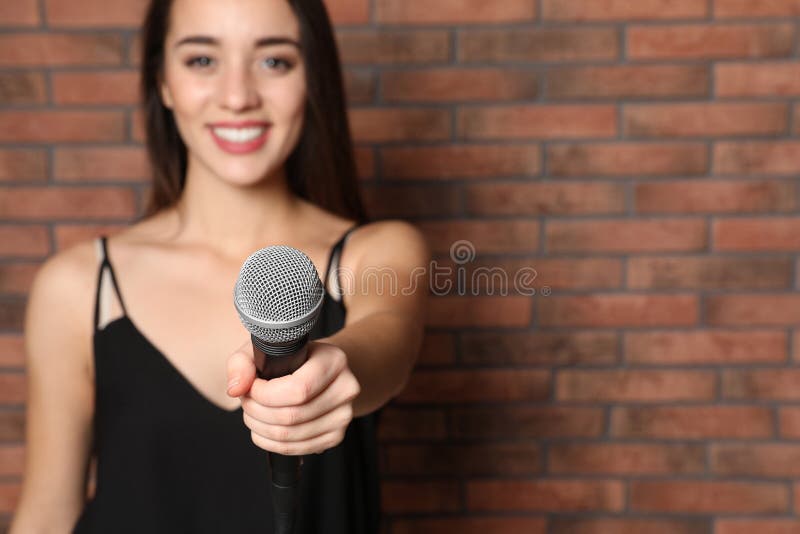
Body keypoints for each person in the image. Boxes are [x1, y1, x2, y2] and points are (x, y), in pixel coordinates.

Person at [9, 0, 428, 532]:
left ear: (312, 79)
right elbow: (47, 513)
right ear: (162, 82)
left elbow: (387, 343)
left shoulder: (381, 251)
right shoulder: (77, 286)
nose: (237, 97)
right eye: (202, 61)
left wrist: (336, 367)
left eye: (274, 61)